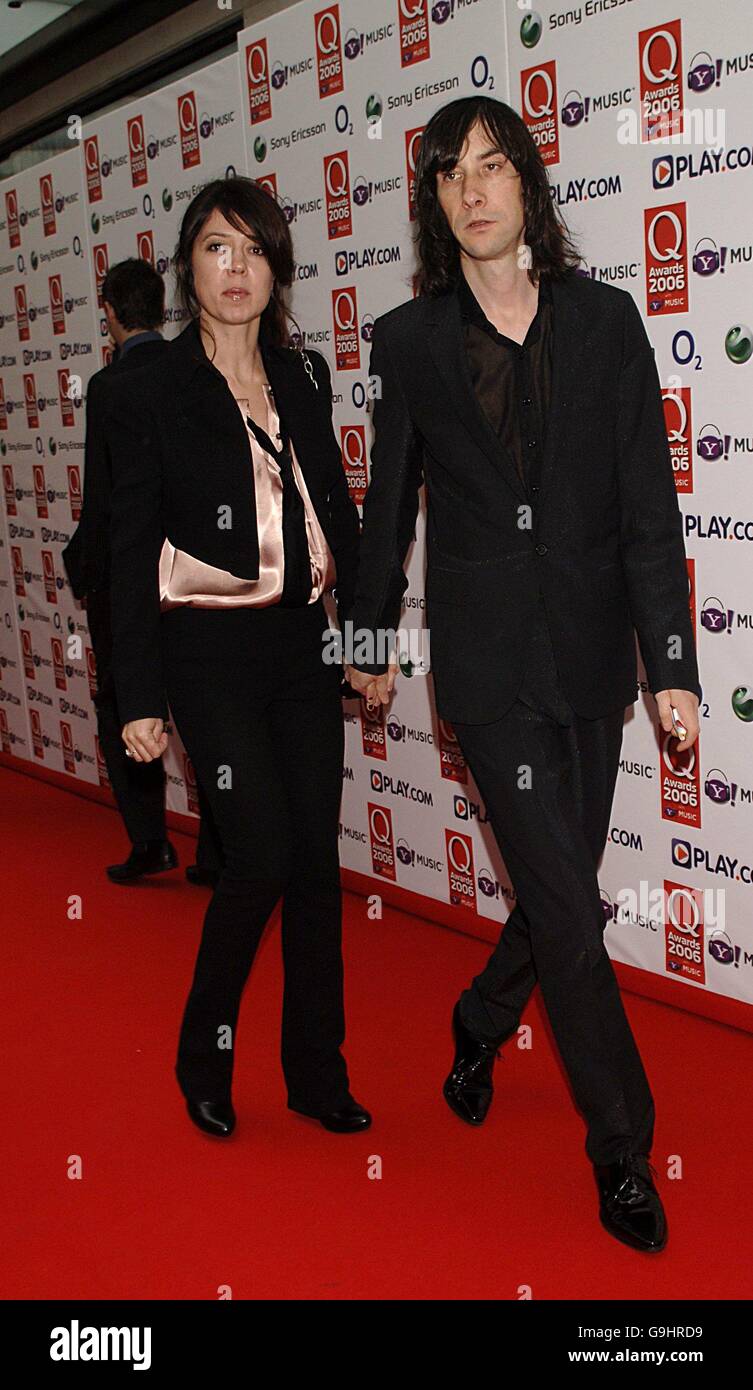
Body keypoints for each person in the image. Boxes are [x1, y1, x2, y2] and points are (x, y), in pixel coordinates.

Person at [345, 96, 702, 1251]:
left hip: (596, 659)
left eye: (495, 166)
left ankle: (481, 1013)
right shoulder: (406, 343)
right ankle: (624, 1148)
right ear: (436, 203)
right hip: (490, 673)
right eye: (452, 174)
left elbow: (649, 508)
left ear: (529, 188)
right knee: (566, 905)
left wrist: (674, 664)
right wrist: (365, 646)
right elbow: (384, 511)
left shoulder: (605, 324)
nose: (476, 189)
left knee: (557, 892)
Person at [102, 176, 369, 1138]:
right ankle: (202, 1059)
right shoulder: (148, 389)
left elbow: (337, 515)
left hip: (301, 650)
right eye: (218, 247)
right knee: (255, 851)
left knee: (313, 865)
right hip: (207, 657)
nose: (237, 267)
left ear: (277, 268)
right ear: (188, 265)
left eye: (254, 249)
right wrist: (136, 695)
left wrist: (367, 641)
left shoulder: (302, 379)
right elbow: (126, 551)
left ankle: (315, 1074)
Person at [61, 259, 223, 887]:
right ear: (163, 307)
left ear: (109, 314)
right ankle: (218, 850)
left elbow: (104, 497)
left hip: (129, 574)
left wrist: (91, 568)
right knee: (206, 706)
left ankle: (151, 842)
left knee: (125, 702)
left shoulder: (109, 386)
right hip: (195, 573)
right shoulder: (195, 368)